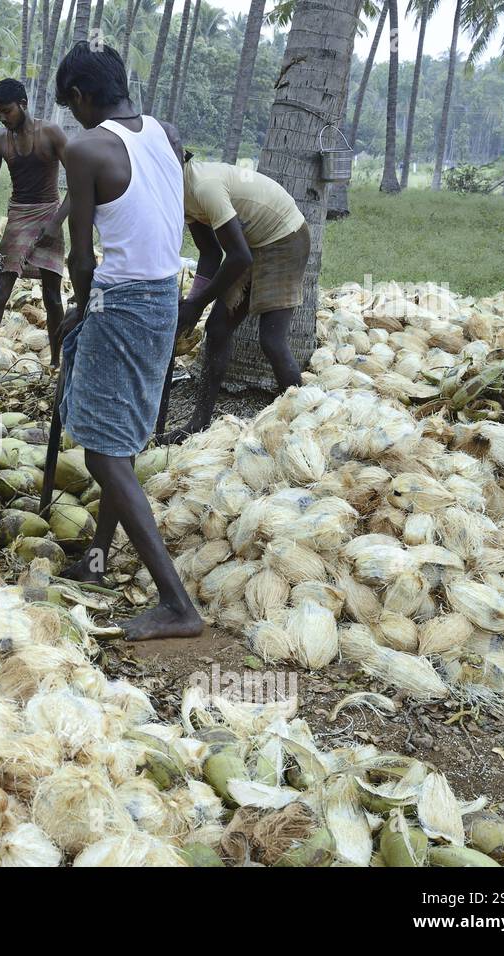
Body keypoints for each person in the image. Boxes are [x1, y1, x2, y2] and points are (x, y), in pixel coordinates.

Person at [51, 42, 203, 642]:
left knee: (101, 452)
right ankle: (97, 558)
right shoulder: (163, 131)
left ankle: (177, 604)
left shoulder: (87, 147)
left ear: (82, 97)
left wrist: (82, 310)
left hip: (123, 301)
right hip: (164, 294)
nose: (73, 118)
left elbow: (82, 255)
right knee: (121, 438)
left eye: (72, 105)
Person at [157, 154, 310, 443]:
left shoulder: (204, 187)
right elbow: (211, 253)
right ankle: (198, 423)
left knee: (272, 340)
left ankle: (302, 425)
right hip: (253, 244)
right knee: (217, 329)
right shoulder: (183, 192)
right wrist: (192, 304)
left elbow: (238, 257)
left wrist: (197, 305)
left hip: (285, 238)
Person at [0, 79, 68, 376]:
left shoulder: (51, 133)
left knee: (51, 294)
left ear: (23, 103)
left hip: (49, 212)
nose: (3, 118)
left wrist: (57, 221)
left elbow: (78, 184)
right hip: (18, 216)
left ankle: (57, 360)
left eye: (7, 111)